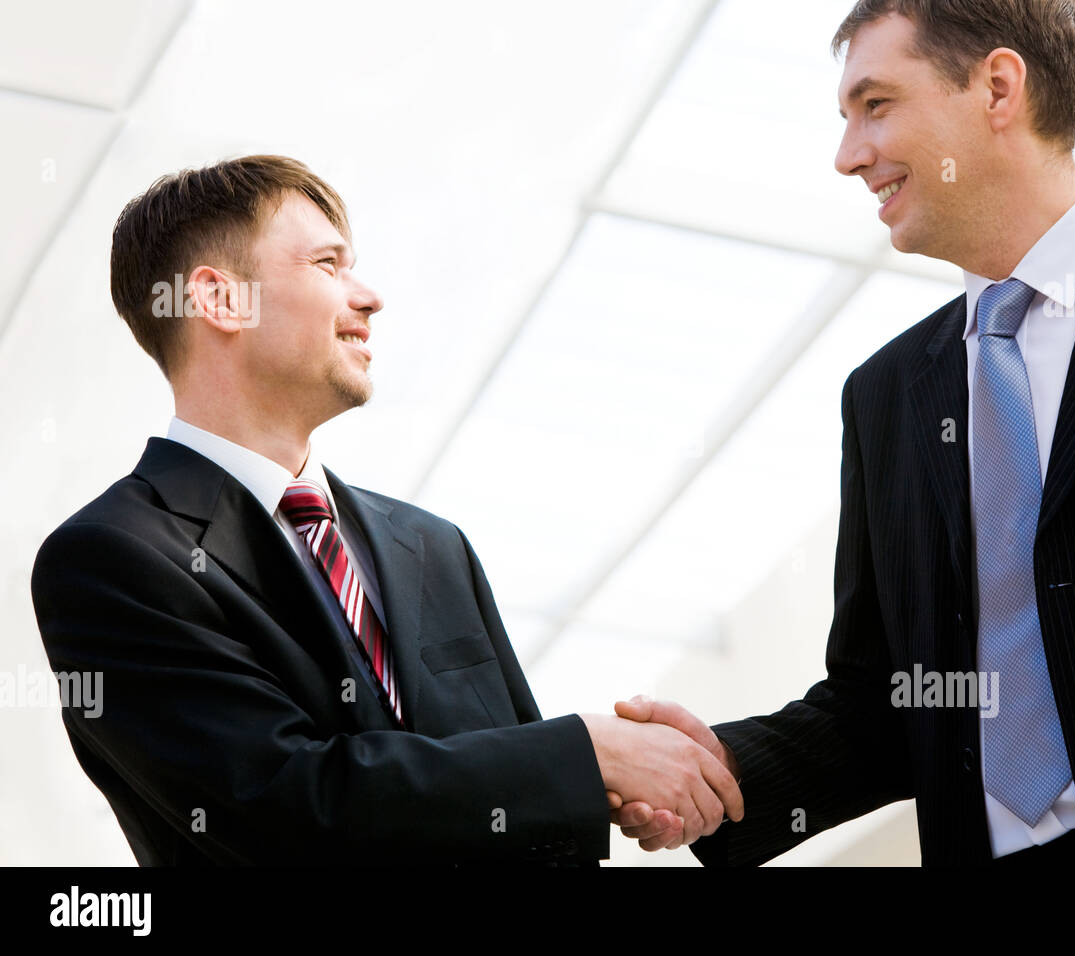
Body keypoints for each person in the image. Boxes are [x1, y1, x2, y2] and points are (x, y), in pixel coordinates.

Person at [611, 0, 1075, 866]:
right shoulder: (888, 397)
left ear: (998, 88)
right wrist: (722, 770)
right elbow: (888, 704)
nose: (847, 155)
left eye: (876, 104)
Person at [29, 155, 741, 865]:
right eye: (328, 264)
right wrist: (584, 756)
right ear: (220, 301)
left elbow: (510, 790)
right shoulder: (111, 557)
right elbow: (285, 811)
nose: (367, 296)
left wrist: (607, 780)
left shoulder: (432, 546)